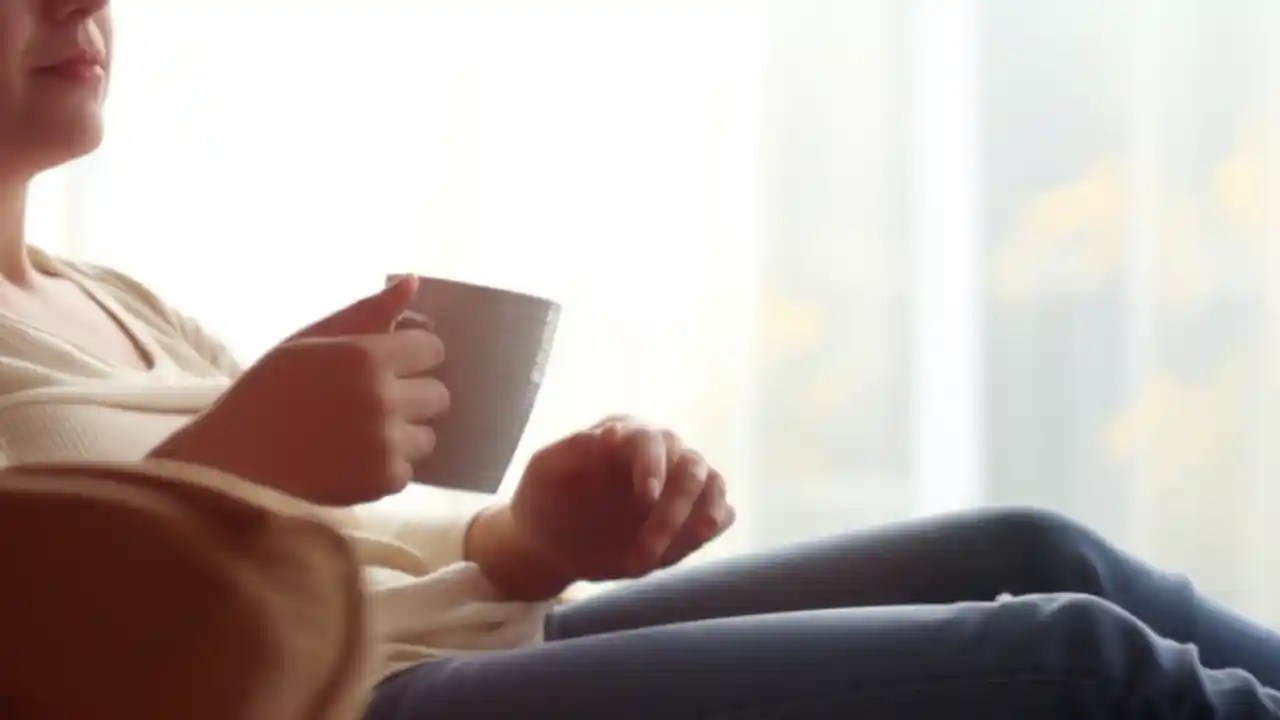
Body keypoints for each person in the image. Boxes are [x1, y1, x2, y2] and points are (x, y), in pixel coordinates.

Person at [2, 1, 1279, 717]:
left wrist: (528, 540)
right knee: (1076, 668)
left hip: (427, 651)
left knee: (1035, 550)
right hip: (330, 711)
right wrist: (225, 469)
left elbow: (337, 569)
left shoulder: (112, 301)